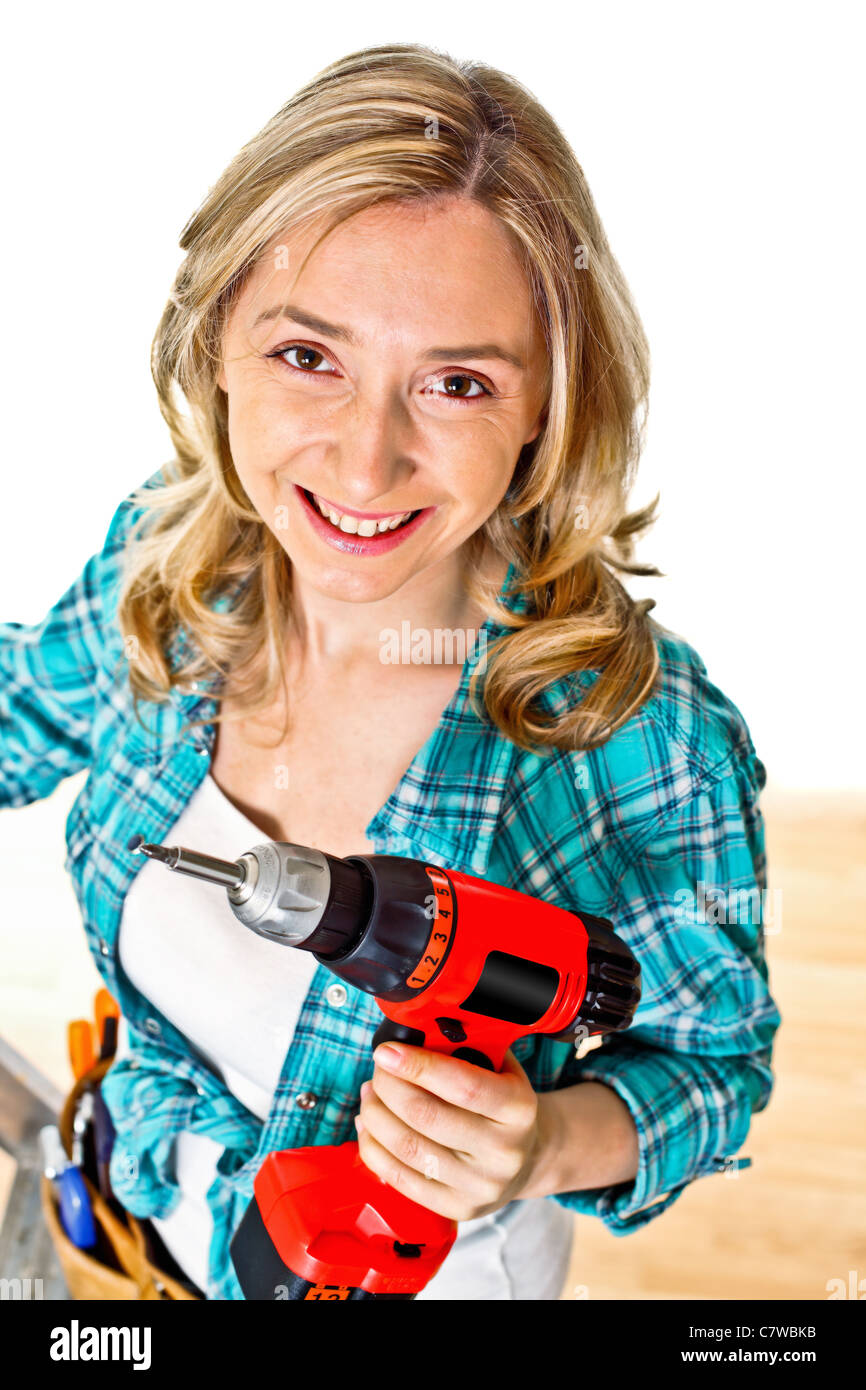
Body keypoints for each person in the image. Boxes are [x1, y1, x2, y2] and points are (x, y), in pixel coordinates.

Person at [0, 42, 781, 1300]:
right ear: (216, 343)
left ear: (547, 405)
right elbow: (25, 707)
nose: (363, 469)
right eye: (308, 357)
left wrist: (534, 1144)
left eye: (456, 382)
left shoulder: (640, 735)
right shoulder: (175, 561)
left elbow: (709, 1067)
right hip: (155, 1217)